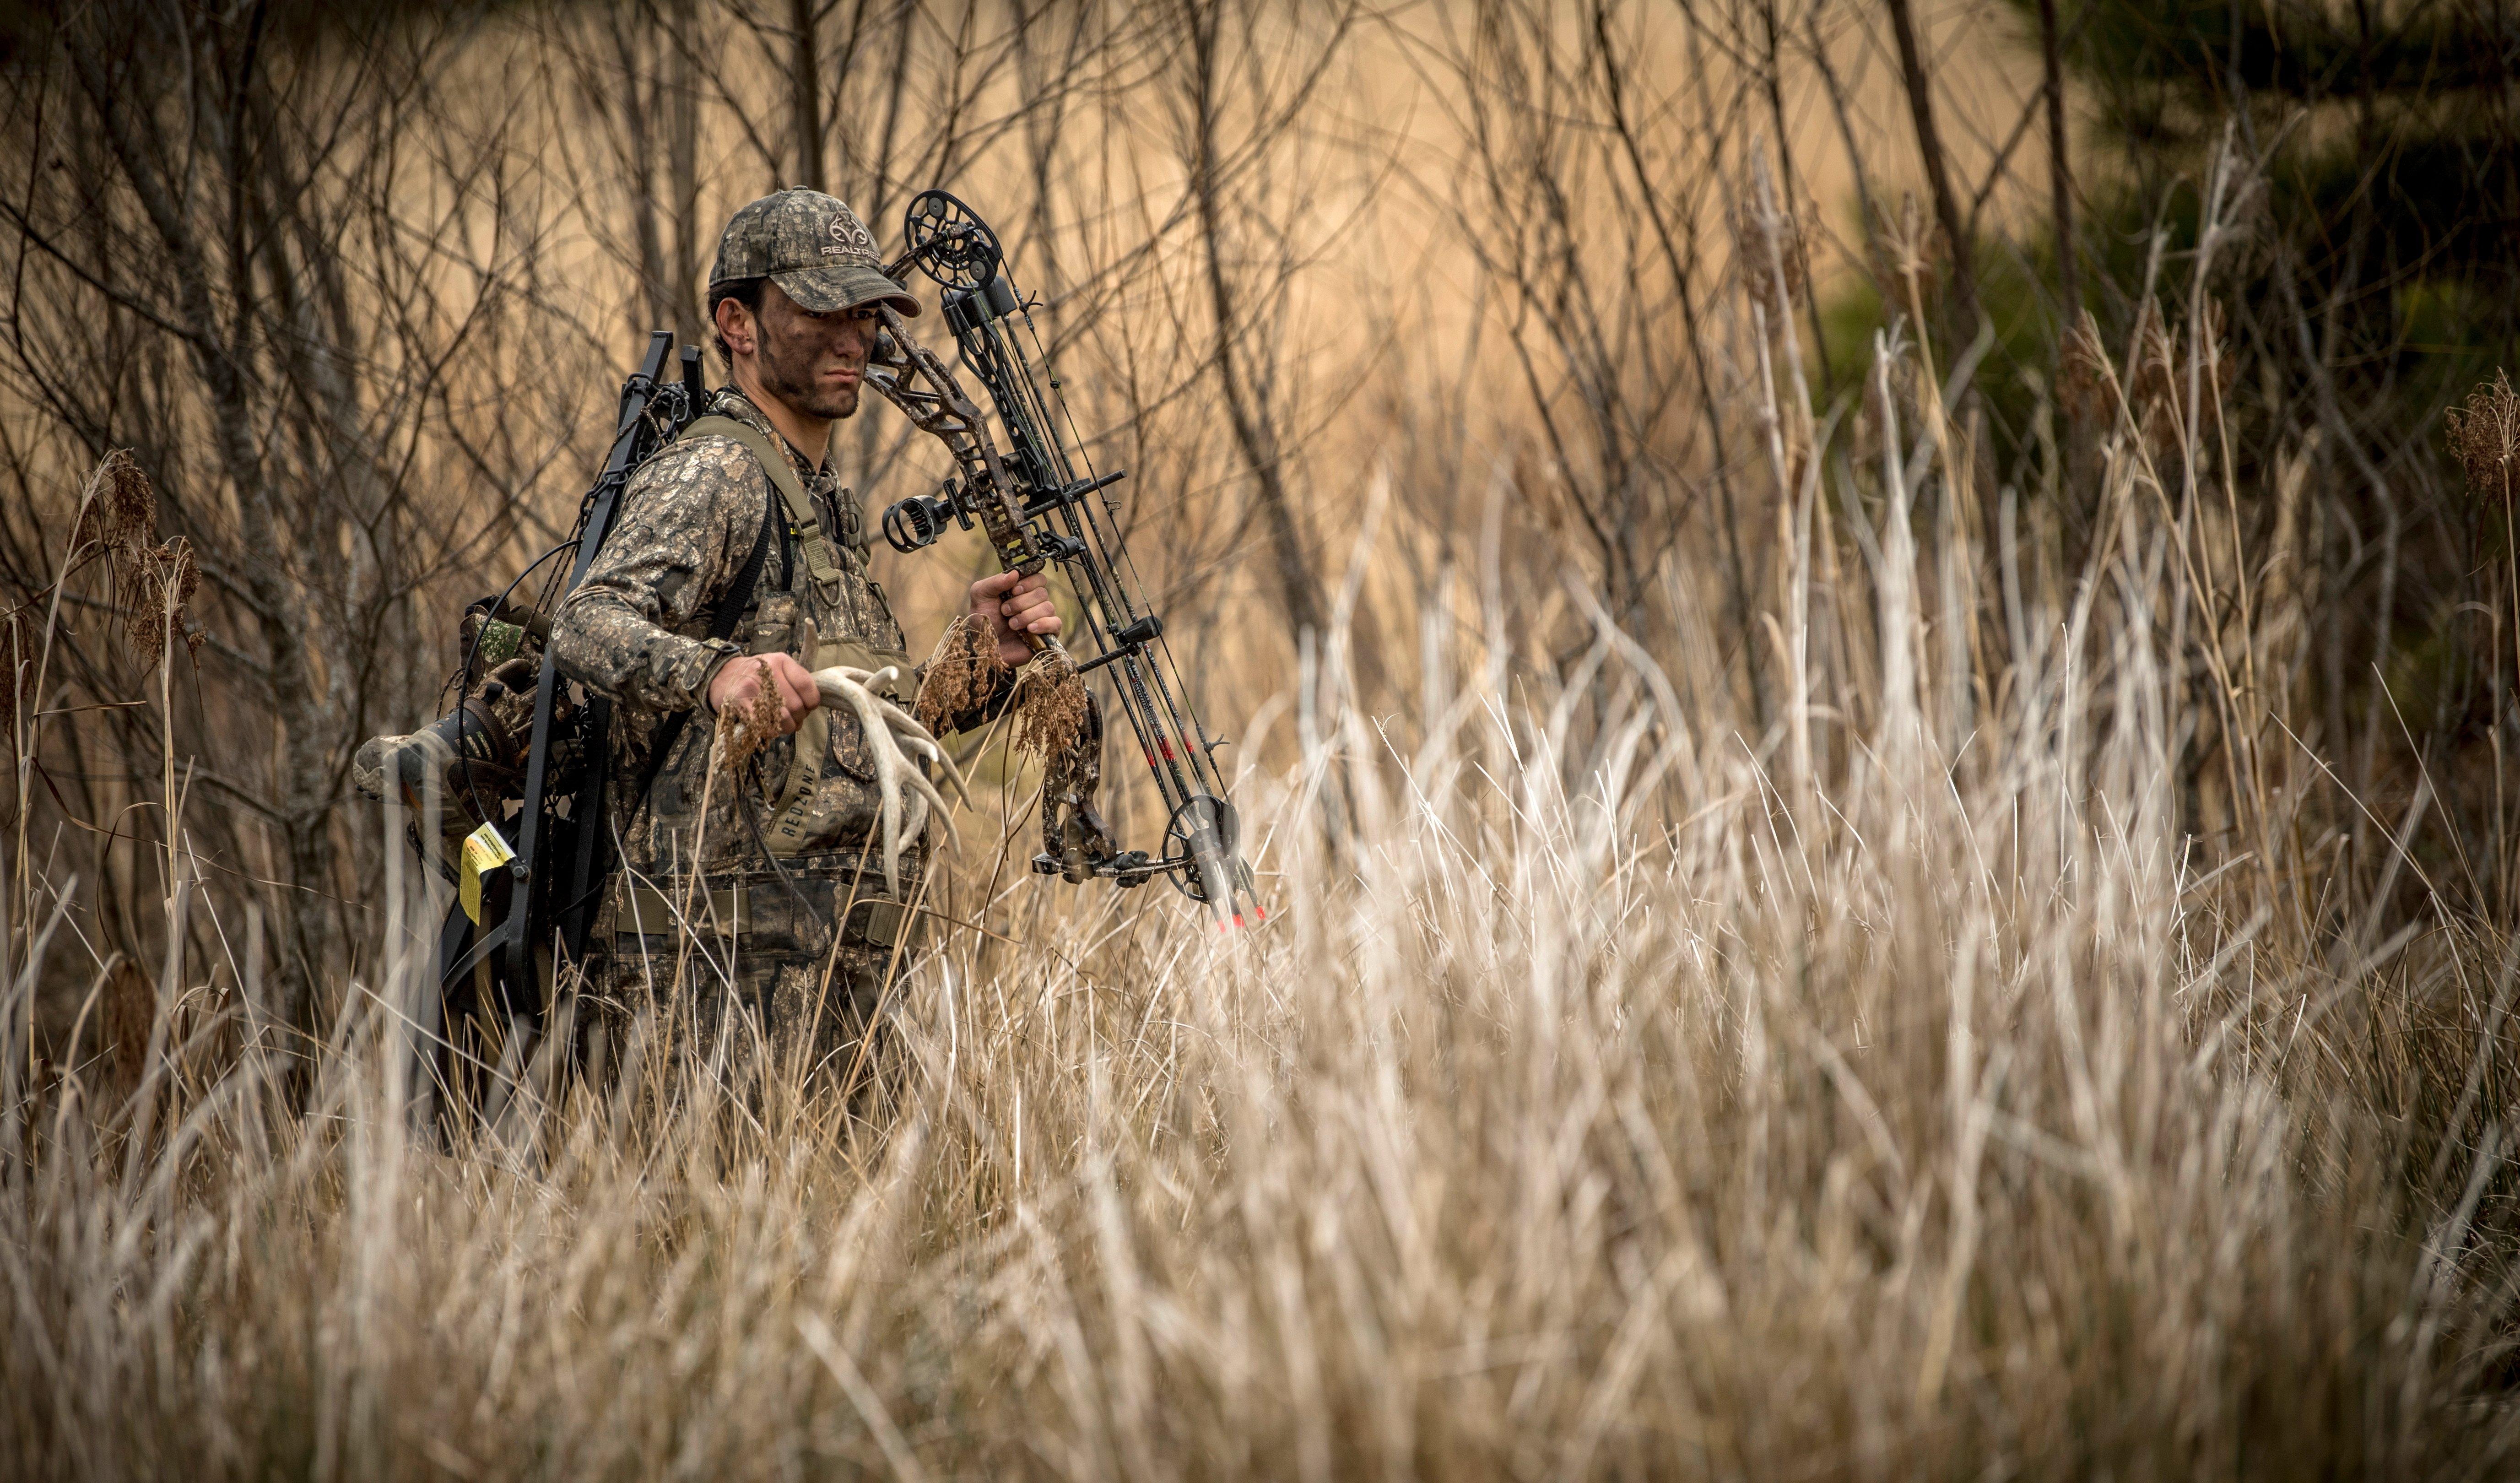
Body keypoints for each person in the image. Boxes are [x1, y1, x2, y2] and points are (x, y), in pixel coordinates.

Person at [549, 188, 1057, 1088]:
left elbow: (838, 745)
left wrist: (973, 659)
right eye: (820, 310)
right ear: (736, 324)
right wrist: (717, 675)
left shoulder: (819, 503)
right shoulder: (717, 472)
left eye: (864, 313)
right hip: (709, 1006)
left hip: (834, 992)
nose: (852, 337)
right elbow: (585, 622)